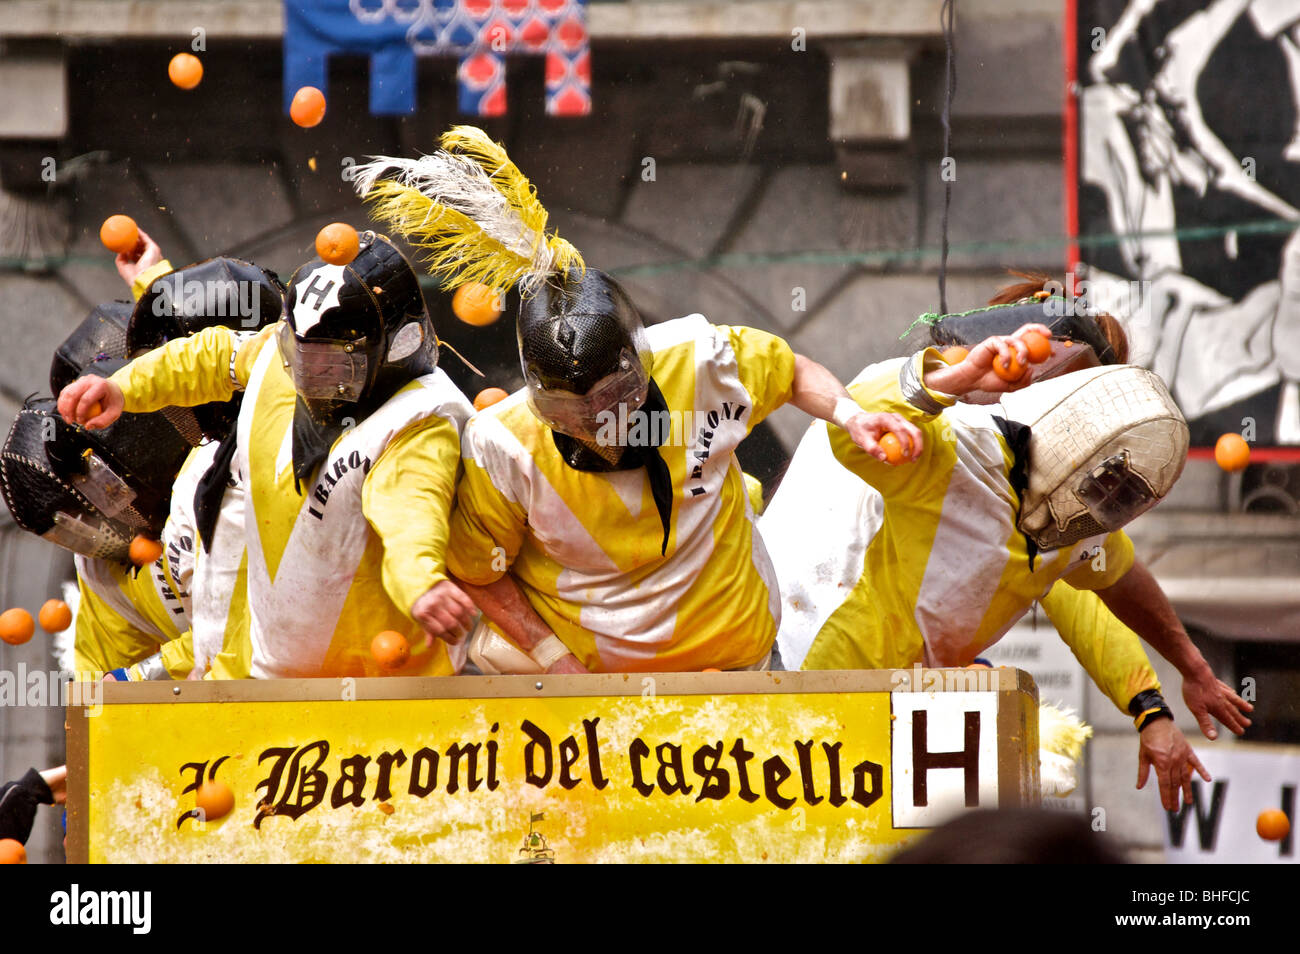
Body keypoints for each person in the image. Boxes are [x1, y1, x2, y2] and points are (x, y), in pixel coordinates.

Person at [352, 125, 910, 674]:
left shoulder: (700, 356)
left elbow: (790, 372)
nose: (600, 423)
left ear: (641, 361)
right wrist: (554, 661)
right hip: (588, 708)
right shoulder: (501, 443)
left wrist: (850, 414)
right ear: (537, 399)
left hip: (743, 672)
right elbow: (477, 569)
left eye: (615, 396)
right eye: (570, 410)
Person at [762, 297, 1252, 810]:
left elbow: (1112, 577)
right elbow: (861, 412)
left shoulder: (1060, 494)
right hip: (786, 676)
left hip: (892, 707)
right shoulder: (947, 442)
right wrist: (950, 377)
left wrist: (1171, 691)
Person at [58, 231, 477, 677]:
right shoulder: (278, 357)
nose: (309, 379)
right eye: (300, 356)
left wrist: (422, 584)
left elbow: (412, 510)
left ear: (396, 348)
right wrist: (123, 386)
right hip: (260, 674)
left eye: (333, 368)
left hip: (372, 692)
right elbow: (212, 353)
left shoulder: (418, 421)